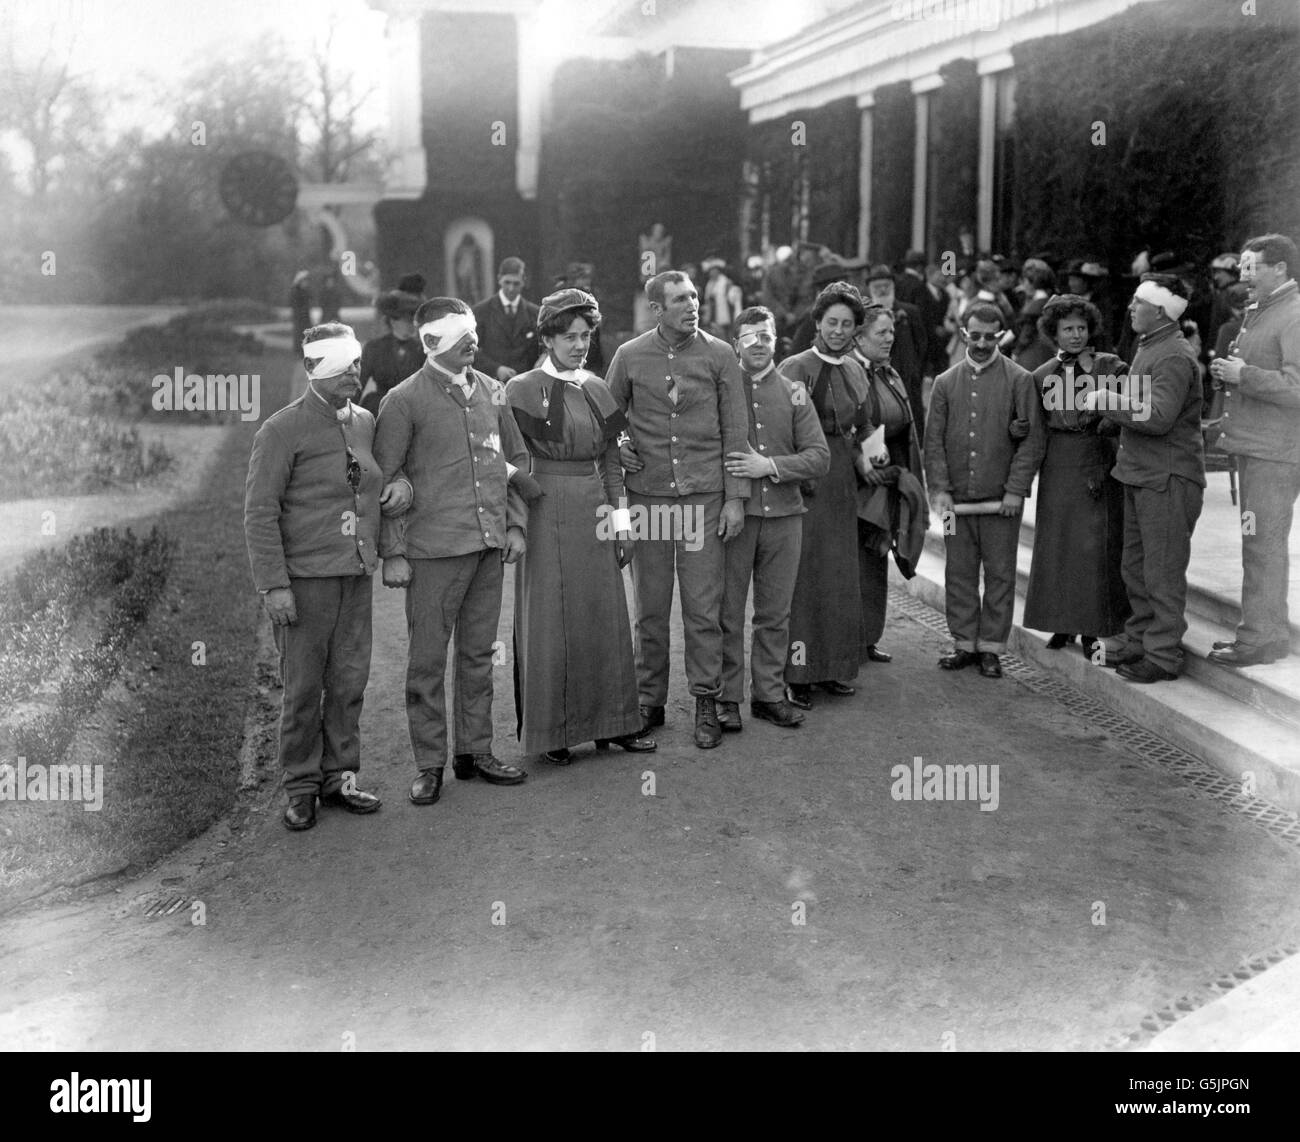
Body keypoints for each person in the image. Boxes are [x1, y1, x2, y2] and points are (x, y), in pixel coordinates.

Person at [245, 322, 409, 831]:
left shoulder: (364, 421)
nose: (353, 373)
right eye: (340, 365)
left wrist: (401, 489)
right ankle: (300, 787)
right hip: (305, 582)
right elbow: (259, 513)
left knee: (349, 682)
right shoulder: (281, 430)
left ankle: (340, 777)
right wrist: (274, 586)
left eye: (356, 363)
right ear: (314, 368)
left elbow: (381, 480)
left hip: (354, 577)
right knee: (302, 688)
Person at [373, 297, 532, 804]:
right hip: (432, 555)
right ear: (432, 340)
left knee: (479, 656)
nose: (474, 342)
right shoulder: (402, 400)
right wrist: (393, 553)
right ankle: (429, 764)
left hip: (488, 547)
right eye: (462, 335)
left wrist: (516, 524)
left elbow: (515, 457)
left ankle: (476, 751)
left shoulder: (493, 391)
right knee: (426, 662)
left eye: (475, 332)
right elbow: (386, 479)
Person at [505, 289, 655, 762]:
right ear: (547, 338)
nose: (579, 345)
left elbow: (612, 462)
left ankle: (615, 724)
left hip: (594, 508)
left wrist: (623, 522)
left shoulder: (597, 388)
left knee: (604, 615)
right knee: (552, 621)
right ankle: (556, 733)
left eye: (585, 335)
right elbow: (502, 457)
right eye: (568, 336)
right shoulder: (522, 389)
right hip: (545, 507)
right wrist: (521, 496)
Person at [605, 270, 750, 749]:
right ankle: (650, 702)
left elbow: (736, 433)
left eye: (693, 297)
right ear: (656, 308)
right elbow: (608, 419)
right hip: (648, 499)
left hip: (704, 500)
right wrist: (622, 444)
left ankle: (706, 699)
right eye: (680, 299)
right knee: (649, 608)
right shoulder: (628, 356)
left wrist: (733, 500)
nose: (692, 305)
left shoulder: (720, 354)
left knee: (703, 608)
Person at [1082, 273, 1205, 682]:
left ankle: (1164, 656)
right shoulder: (1151, 346)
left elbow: (1158, 416)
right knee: (1136, 567)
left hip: (1167, 478)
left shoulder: (1171, 355)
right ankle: (1139, 639)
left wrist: (1107, 402)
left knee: (1162, 572)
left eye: (1139, 302)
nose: (1131, 308)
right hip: (1142, 474)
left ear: (1162, 311)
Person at [717, 306, 829, 731]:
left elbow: (820, 456)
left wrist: (771, 466)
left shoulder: (794, 392)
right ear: (735, 345)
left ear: (777, 340)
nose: (758, 344)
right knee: (727, 612)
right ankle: (727, 698)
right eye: (748, 337)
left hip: (785, 517)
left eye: (765, 336)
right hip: (737, 517)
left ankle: (768, 694)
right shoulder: (723, 390)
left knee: (775, 613)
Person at [925, 303, 1046, 679]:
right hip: (952, 504)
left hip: (1001, 503)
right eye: (973, 335)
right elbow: (934, 443)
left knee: (1000, 574)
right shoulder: (945, 383)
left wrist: (1015, 491)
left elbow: (1033, 442)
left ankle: (992, 648)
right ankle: (963, 643)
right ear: (963, 333)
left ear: (1001, 336)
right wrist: (940, 491)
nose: (980, 343)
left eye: (989, 336)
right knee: (957, 573)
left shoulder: (1020, 380)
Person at [777, 282, 878, 708]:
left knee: (840, 574)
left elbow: (865, 423)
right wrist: (800, 475)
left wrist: (872, 452)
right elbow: (781, 428)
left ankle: (835, 666)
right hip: (807, 481)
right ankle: (799, 673)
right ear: (817, 323)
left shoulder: (857, 368)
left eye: (847, 324)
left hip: (842, 483)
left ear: (856, 330)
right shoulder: (796, 368)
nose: (838, 330)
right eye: (831, 322)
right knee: (805, 576)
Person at [1208, 233, 1300, 667]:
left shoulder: (1294, 313)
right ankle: (1265, 632)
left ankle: (1260, 638)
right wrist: (1230, 373)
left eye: (1253, 267)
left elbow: (1297, 387)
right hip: (1258, 449)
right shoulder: (1263, 311)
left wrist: (1244, 375)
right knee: (1257, 542)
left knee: (1261, 544)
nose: (1245, 277)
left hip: (1274, 454)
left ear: (1279, 268)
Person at [1022, 295, 1130, 657]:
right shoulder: (1041, 376)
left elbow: (1132, 404)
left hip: (1096, 459)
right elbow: (1033, 428)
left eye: (1081, 328)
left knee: (1093, 548)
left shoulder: (1110, 367)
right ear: (1054, 333)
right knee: (1057, 545)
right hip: (1057, 465)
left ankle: (1092, 626)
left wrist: (1109, 419)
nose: (1075, 335)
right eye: (1067, 329)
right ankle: (1061, 622)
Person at [852, 304, 926, 663]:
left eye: (891, 331)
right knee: (852, 563)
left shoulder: (890, 374)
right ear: (860, 337)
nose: (890, 337)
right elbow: (856, 426)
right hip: (856, 486)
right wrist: (873, 464)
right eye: (881, 332)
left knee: (875, 562)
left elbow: (903, 430)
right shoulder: (852, 373)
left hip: (886, 483)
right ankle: (846, 640)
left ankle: (867, 637)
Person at [865, 264, 928, 438]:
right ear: (870, 289)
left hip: (906, 378)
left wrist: (915, 371)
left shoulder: (910, 312)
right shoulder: (864, 316)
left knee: (911, 426)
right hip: (875, 379)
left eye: (886, 285)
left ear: (893, 286)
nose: (882, 289)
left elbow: (921, 345)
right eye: (877, 287)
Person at [472, 256, 541, 383]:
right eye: (507, 282)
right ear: (499, 279)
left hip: (526, 385)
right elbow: (471, 350)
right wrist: (496, 369)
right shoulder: (481, 311)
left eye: (516, 283)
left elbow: (543, 348)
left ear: (524, 281)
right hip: (491, 383)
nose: (511, 288)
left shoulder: (535, 313)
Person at [359, 287, 423, 416]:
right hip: (381, 405)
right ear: (393, 321)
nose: (411, 325)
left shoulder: (422, 349)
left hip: (414, 407)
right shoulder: (374, 348)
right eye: (406, 321)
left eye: (413, 321)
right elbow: (359, 383)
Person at [289, 270, 312, 348]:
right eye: (304, 281)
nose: (306, 283)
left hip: (305, 317)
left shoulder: (305, 291)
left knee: (306, 334)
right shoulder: (296, 292)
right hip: (299, 317)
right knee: (299, 333)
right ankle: (299, 349)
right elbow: (295, 305)